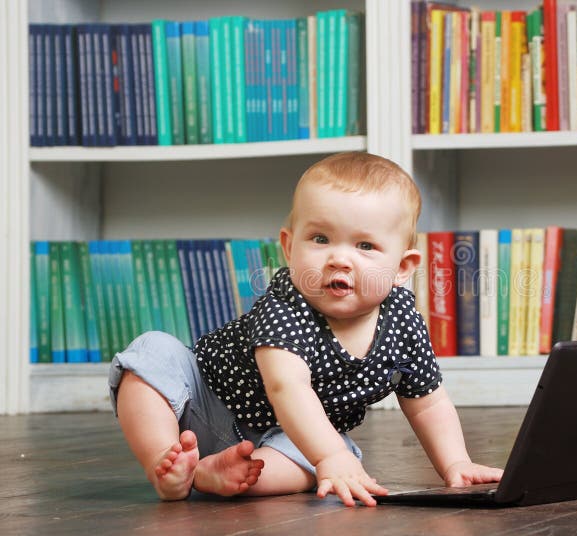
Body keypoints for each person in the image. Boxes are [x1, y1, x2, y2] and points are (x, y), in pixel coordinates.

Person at [108, 151, 503, 507]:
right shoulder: (284, 304)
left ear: (402, 267)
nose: (339, 259)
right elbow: (288, 387)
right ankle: (170, 462)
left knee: (325, 461)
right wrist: (331, 456)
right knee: (151, 353)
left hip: (289, 437)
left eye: (365, 246)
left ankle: (215, 475)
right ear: (289, 246)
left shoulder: (402, 322)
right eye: (320, 238)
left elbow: (429, 401)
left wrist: (455, 462)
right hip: (202, 402)